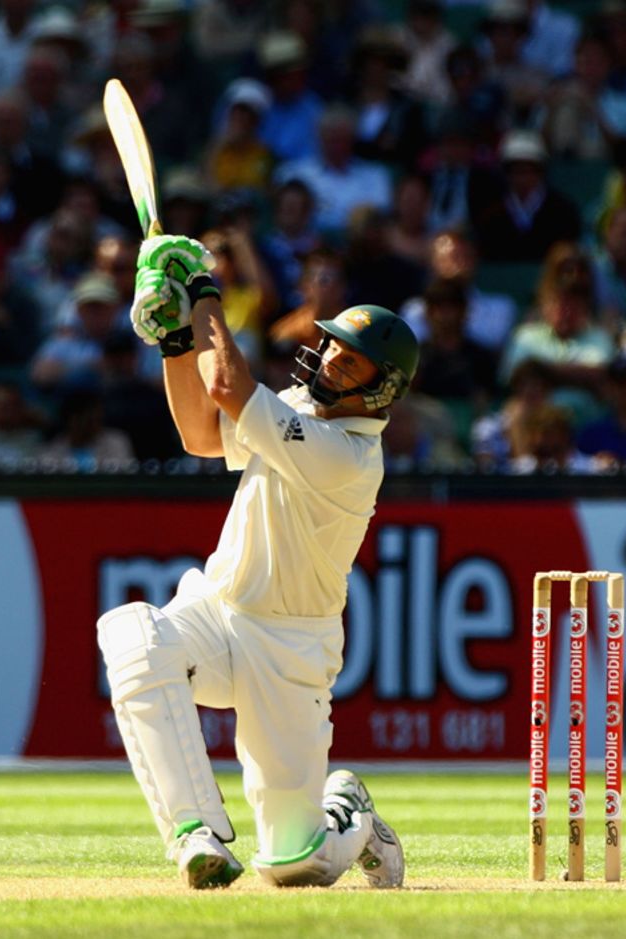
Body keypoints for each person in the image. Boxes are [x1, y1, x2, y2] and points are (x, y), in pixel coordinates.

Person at [98, 232, 417, 889]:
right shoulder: (302, 406)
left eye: (349, 361)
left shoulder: (349, 456)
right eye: (330, 343)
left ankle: (348, 813)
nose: (328, 359)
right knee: (131, 630)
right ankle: (195, 833)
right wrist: (176, 341)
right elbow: (199, 431)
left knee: (295, 864)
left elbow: (227, 384)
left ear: (381, 391)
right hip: (220, 613)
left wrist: (203, 290)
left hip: (290, 646)